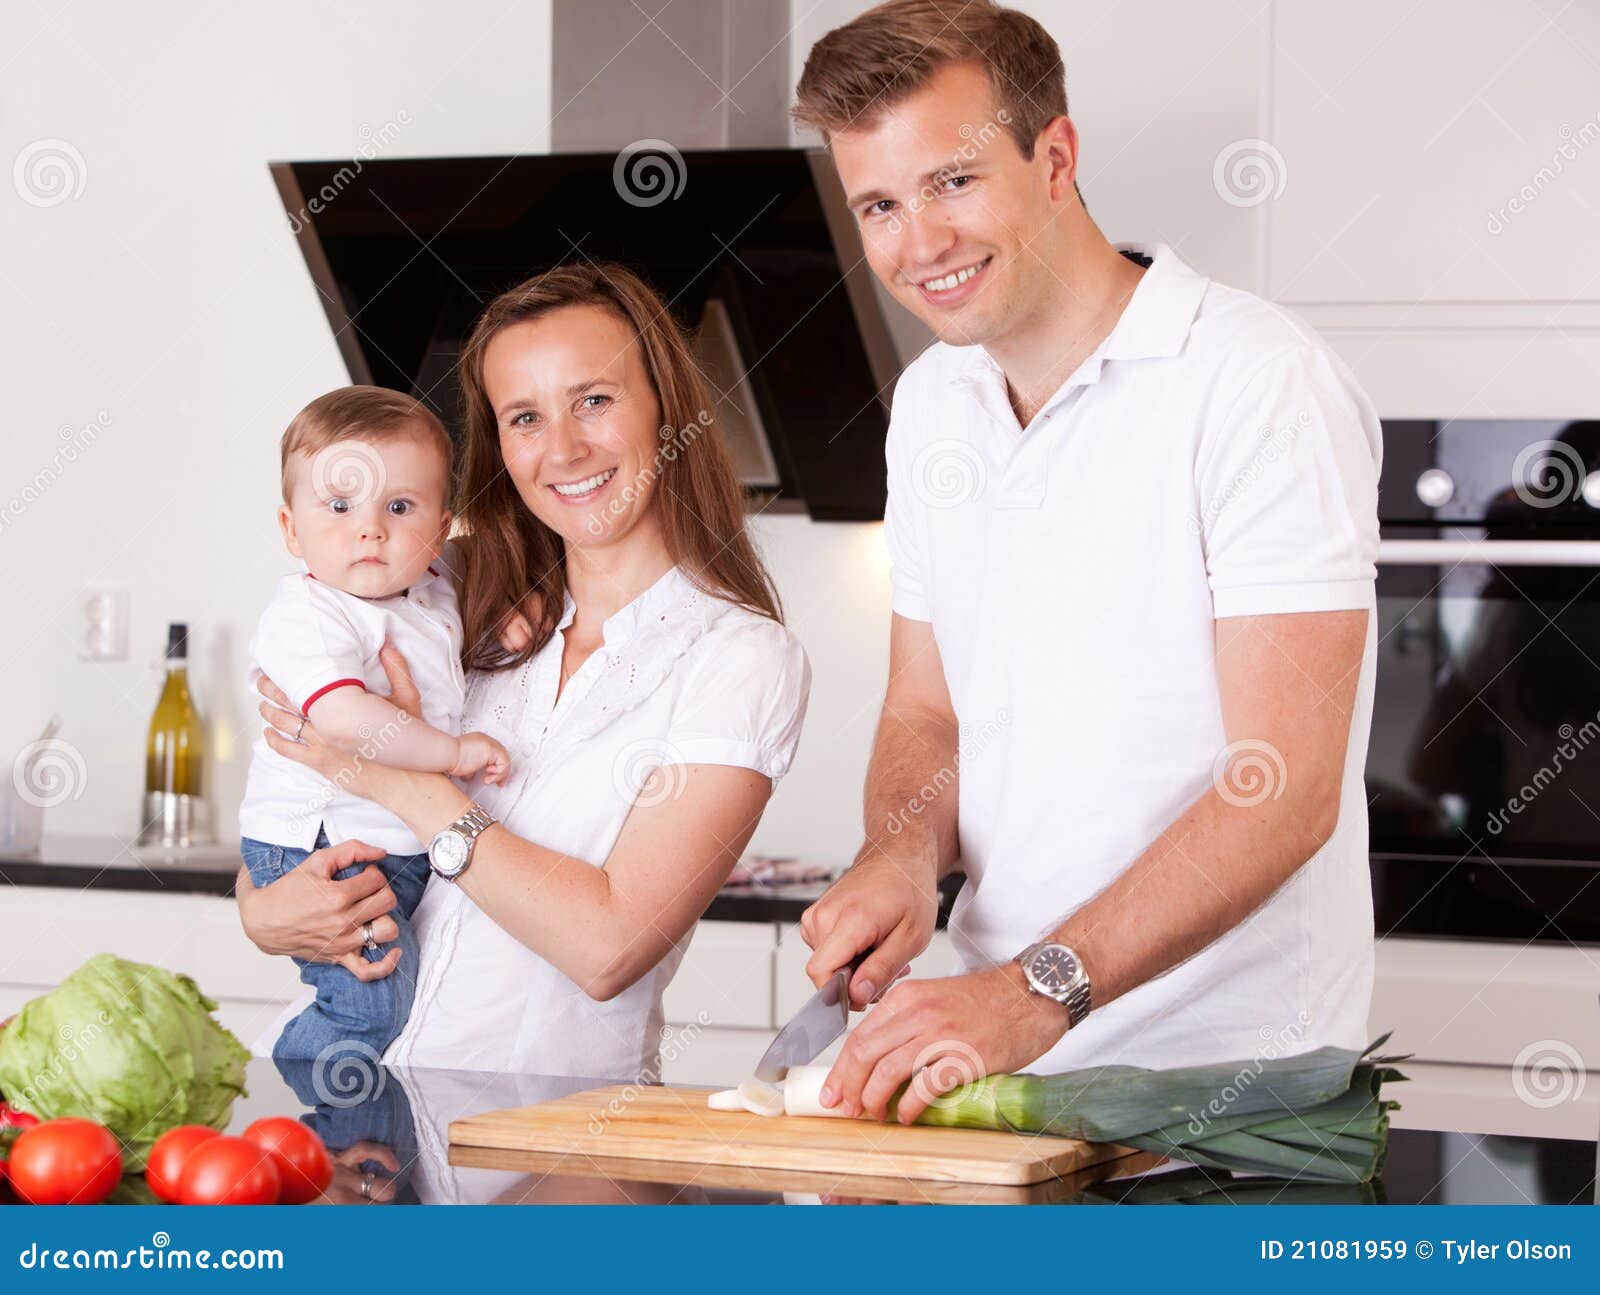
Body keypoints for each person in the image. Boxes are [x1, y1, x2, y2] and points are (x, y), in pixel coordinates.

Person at [792, 0, 1381, 1123]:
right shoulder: (931, 403)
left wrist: (1034, 989)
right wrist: (899, 853)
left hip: (1222, 1095)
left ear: (1053, 157)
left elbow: (1284, 789)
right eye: (878, 204)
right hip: (992, 1070)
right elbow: (929, 712)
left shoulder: (1253, 383)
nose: (918, 245)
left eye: (952, 183)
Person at [239, 262, 810, 1080]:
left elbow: (608, 947)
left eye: (595, 400)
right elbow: (294, 775)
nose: (564, 447)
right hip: (353, 1113)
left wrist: (402, 780)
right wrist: (263, 911)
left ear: (668, 409)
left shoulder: (740, 656)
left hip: (552, 1158)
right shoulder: (445, 585)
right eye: (525, 417)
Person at [239, 386, 511, 1062]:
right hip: (320, 847)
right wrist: (449, 750)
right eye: (339, 505)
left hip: (385, 843)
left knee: (387, 1001)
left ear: (441, 527)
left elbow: (482, 579)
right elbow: (344, 719)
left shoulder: (426, 584)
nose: (370, 528)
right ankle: (313, 1129)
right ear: (289, 529)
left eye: (399, 507)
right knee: (371, 1009)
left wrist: (514, 613)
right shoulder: (311, 612)